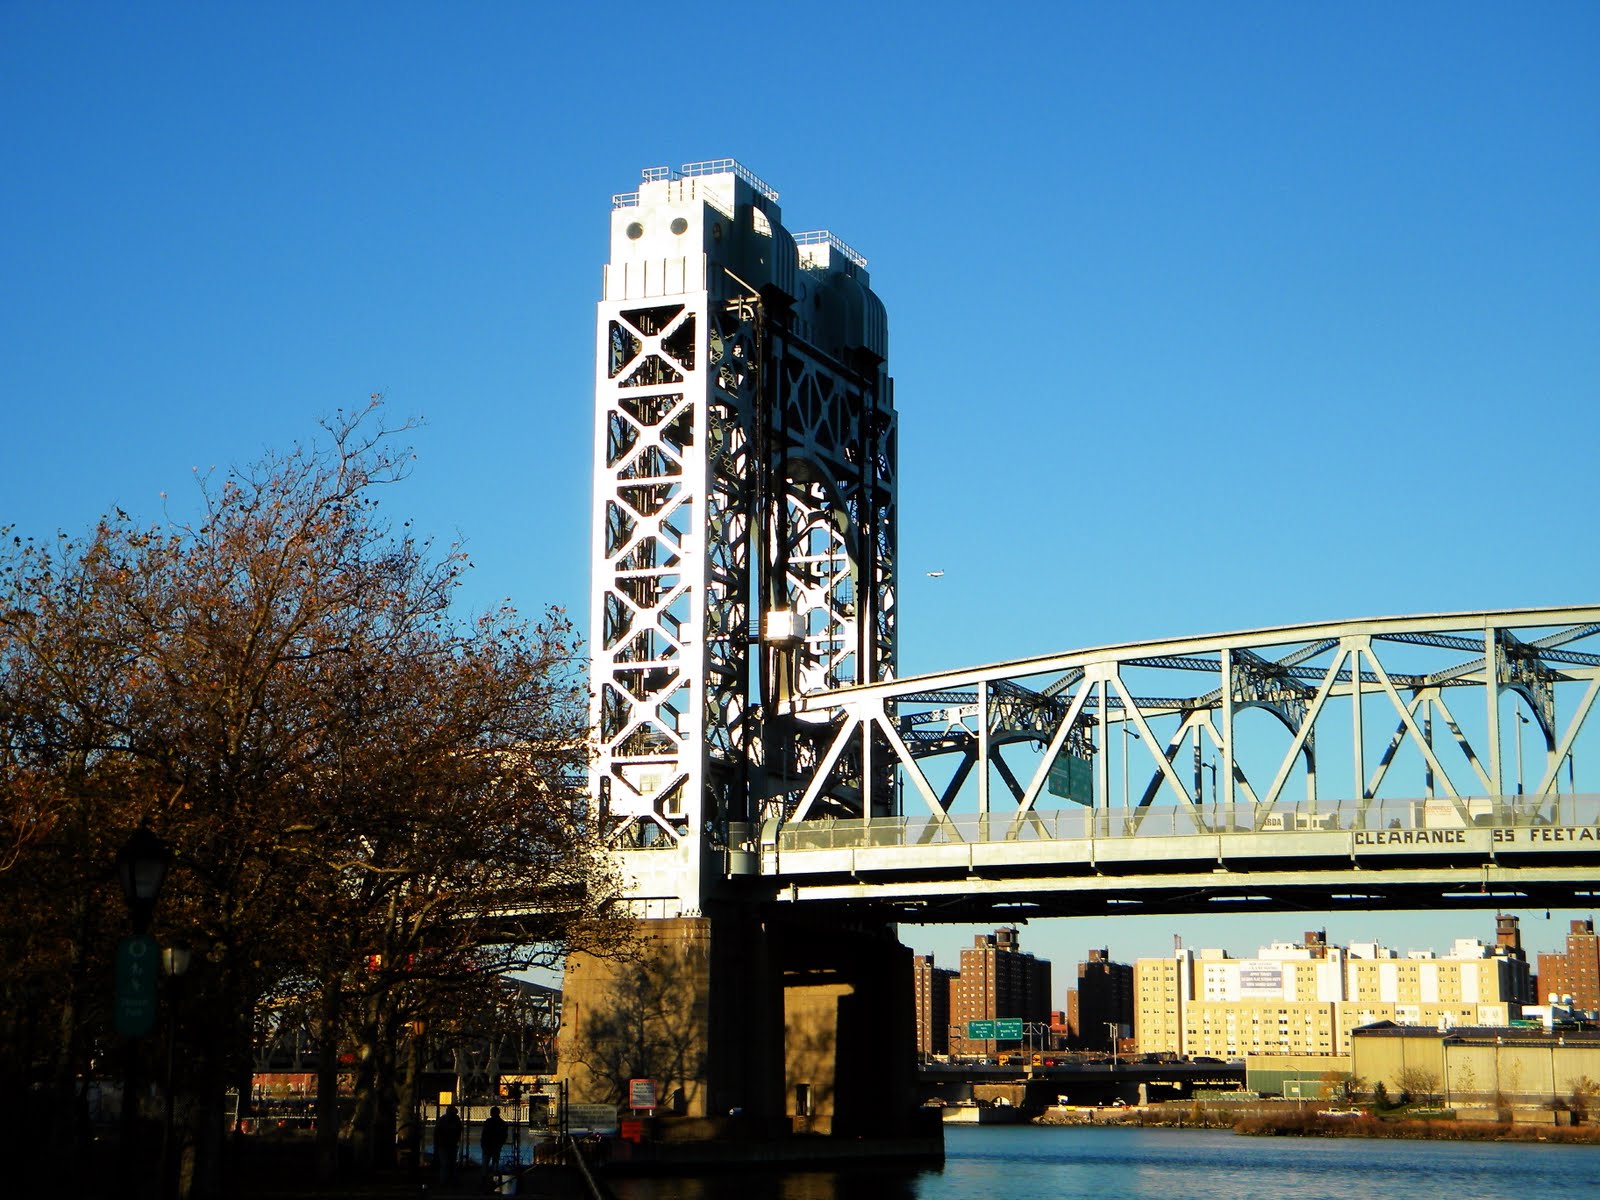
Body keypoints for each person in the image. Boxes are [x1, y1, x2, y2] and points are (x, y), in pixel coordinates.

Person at [480, 1105, 508, 1185]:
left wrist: (483, 1143)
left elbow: (484, 1134)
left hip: (487, 1145)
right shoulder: (503, 1123)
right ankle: (493, 1179)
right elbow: (504, 1136)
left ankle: (484, 1180)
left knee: (485, 1163)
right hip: (496, 1146)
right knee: (495, 1163)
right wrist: (500, 1143)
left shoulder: (488, 1122)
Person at [435, 1104, 462, 1183]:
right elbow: (459, 1130)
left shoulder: (443, 1119)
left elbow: (437, 1133)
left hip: (447, 1144)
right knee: (448, 1163)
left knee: (447, 1163)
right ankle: (447, 1179)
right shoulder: (454, 1120)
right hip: (446, 1144)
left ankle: (446, 1179)